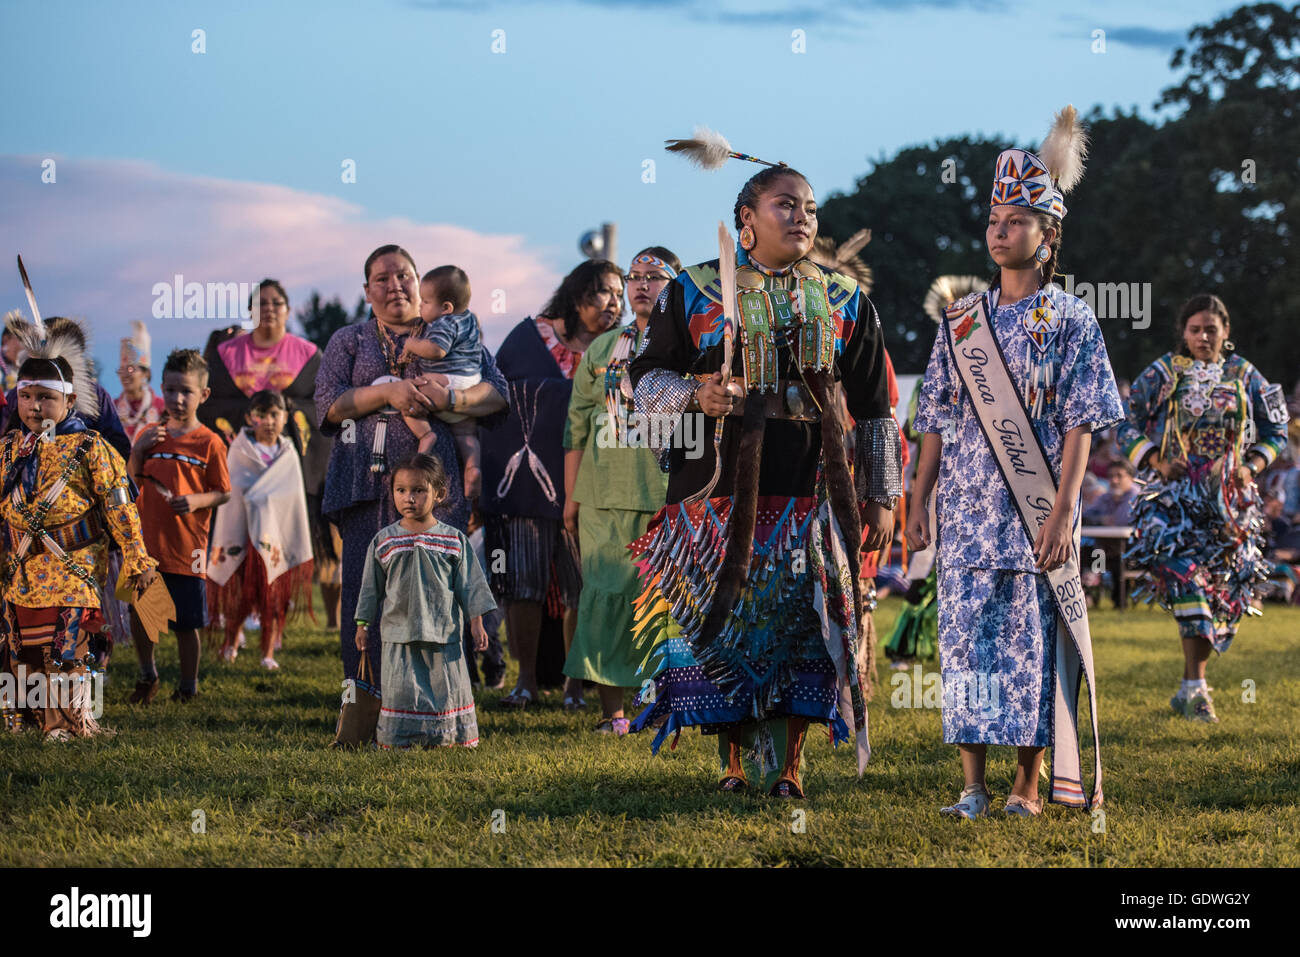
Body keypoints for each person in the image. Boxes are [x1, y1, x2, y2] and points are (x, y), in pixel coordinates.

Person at [628, 134, 901, 798]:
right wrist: (697, 392)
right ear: (746, 219)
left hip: (809, 486)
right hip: (713, 487)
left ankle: (789, 766)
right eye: (786, 204)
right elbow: (643, 381)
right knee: (724, 620)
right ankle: (730, 761)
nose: (803, 216)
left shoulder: (843, 298)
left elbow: (874, 406)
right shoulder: (692, 290)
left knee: (801, 624)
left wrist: (884, 493)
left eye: (810, 206)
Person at [908, 106, 1122, 817]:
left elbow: (1082, 419)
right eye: (994, 220)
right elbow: (934, 414)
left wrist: (1062, 510)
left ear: (1049, 233)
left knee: (1028, 649)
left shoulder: (1071, 319)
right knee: (965, 646)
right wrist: (916, 499)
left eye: (1016, 220)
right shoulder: (961, 319)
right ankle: (971, 784)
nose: (1000, 231)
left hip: (1036, 512)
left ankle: (1027, 785)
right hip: (966, 514)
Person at [315, 245, 508, 691]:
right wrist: (387, 394)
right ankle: (366, 694)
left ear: (420, 283)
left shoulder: (452, 329)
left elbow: (497, 394)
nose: (394, 285)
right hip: (365, 481)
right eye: (382, 279)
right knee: (368, 590)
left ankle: (436, 699)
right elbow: (329, 406)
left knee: (435, 588)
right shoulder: (350, 340)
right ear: (367, 291)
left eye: (403, 275)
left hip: (436, 486)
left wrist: (453, 400)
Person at [1120, 293, 1289, 723]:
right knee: (1188, 583)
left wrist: (1252, 466)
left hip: (1230, 508)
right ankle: (1197, 689)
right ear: (1184, 332)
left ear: (1225, 332)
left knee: (1223, 597)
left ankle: (1188, 687)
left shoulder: (1244, 374)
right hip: (1174, 505)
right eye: (1194, 330)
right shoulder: (1164, 372)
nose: (1202, 337)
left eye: (1211, 330)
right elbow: (1122, 418)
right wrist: (1155, 458)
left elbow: (1277, 428)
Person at [480, 260, 622, 710]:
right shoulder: (529, 338)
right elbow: (497, 396)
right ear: (577, 296)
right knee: (524, 582)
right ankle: (523, 682)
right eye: (603, 292)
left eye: (618, 294)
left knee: (584, 585)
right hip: (524, 486)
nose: (613, 303)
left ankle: (574, 686)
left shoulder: (620, 349)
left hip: (592, 489)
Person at [0, 336, 156, 739]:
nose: (35, 406)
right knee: (26, 645)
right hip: (21, 565)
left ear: (69, 403)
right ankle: (37, 720)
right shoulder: (8, 451)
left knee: (66, 645)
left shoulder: (92, 448)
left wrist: (137, 557)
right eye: (27, 396)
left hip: (74, 563)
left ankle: (70, 723)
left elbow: (120, 506)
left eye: (47, 398)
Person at [561, 248, 678, 734]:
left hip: (666, 491)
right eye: (634, 276)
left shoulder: (690, 346)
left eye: (654, 276)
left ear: (675, 285)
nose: (641, 285)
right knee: (605, 594)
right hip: (602, 493)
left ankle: (661, 703)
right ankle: (614, 713)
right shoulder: (603, 347)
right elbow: (576, 427)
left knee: (661, 599)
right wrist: (570, 498)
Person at [201, 280, 340, 627]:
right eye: (260, 303)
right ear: (250, 311)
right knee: (237, 530)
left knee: (281, 533)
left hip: (287, 465)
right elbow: (209, 400)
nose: (269, 309)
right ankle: (236, 607)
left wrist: (287, 411)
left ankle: (277, 605)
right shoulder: (228, 352)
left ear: (288, 310)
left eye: (276, 302)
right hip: (240, 461)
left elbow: (322, 406)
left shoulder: (307, 354)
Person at [355, 454, 497, 749]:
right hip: (399, 634)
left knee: (444, 688)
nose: (409, 498)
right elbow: (371, 588)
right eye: (401, 490)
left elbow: (470, 585)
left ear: (438, 493)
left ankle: (448, 736)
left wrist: (477, 623)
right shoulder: (384, 541)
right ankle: (400, 737)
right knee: (402, 688)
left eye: (419, 490)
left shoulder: (454, 540)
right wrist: (362, 623)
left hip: (443, 634)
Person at [127, 349, 231, 704]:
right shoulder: (150, 435)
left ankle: (188, 686)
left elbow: (223, 493)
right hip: (148, 546)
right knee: (143, 613)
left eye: (186, 391)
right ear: (162, 389)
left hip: (188, 549)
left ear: (203, 395)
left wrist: (198, 501)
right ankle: (147, 674)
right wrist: (138, 451)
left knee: (187, 623)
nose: (177, 398)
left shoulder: (210, 442)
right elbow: (130, 484)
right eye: (170, 390)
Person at [207, 390, 314, 670]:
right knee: (240, 597)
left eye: (274, 415)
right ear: (248, 418)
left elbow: (291, 499)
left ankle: (268, 653)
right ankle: (231, 642)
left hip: (274, 540)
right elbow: (234, 492)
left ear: (285, 417)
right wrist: (255, 498)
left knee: (273, 599)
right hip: (243, 539)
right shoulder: (239, 451)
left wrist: (265, 499)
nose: (268, 421)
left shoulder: (288, 454)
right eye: (261, 415)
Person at [398, 265, 484, 499]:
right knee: (465, 432)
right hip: (472, 381)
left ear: (446, 308)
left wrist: (411, 344)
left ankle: (426, 435)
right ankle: (472, 467)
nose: (420, 306)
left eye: (425, 302)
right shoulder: (469, 320)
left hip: (448, 379)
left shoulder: (445, 323)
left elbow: (436, 350)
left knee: (408, 395)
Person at [114, 322, 166, 444]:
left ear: (145, 373)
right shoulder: (112, 408)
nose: (125, 375)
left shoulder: (162, 407)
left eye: (131, 369)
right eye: (122, 370)